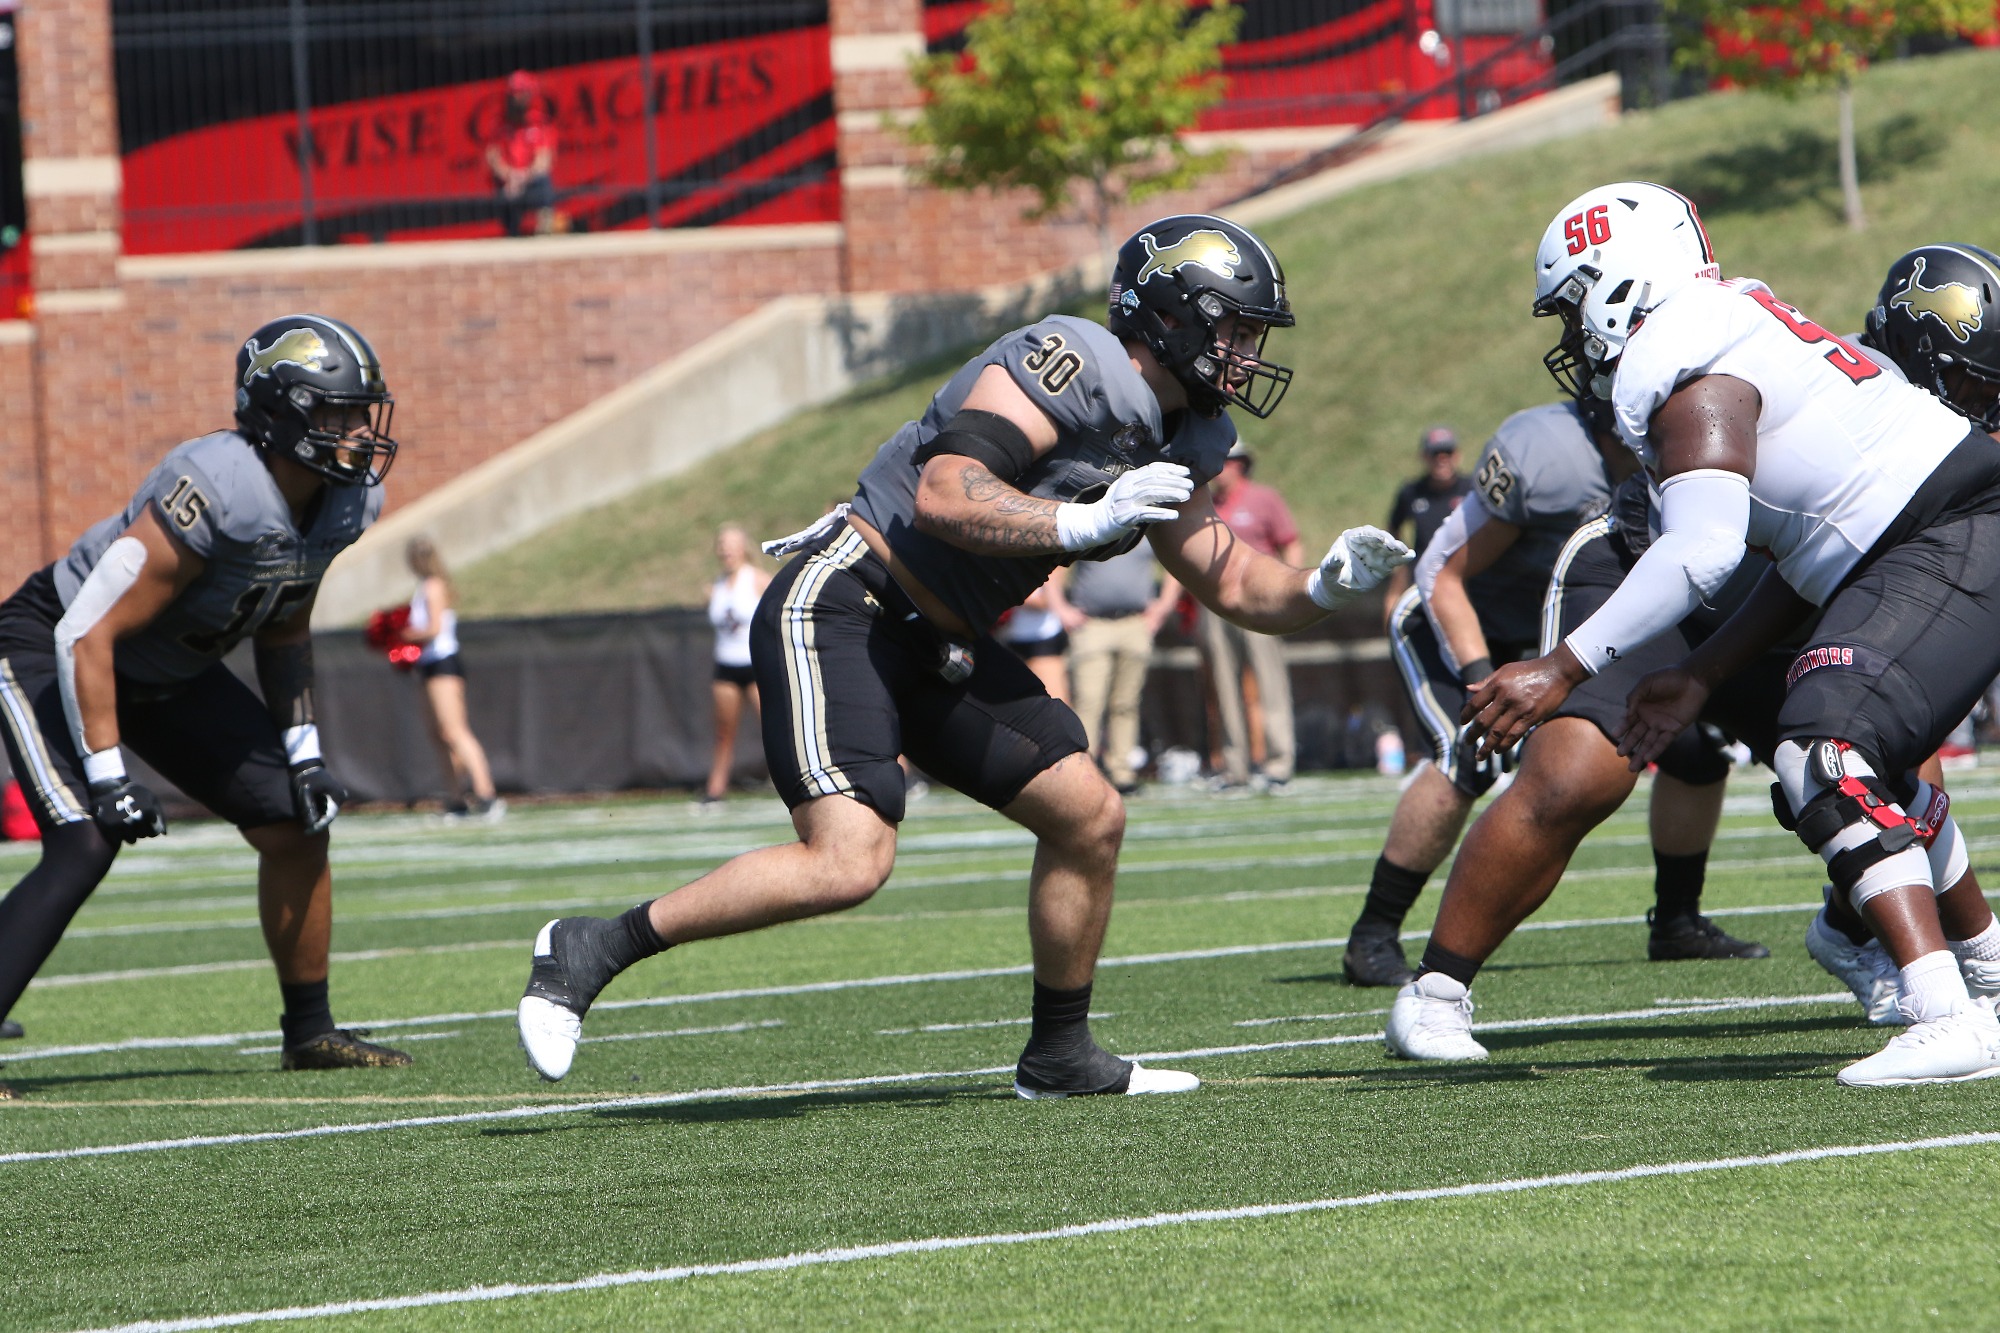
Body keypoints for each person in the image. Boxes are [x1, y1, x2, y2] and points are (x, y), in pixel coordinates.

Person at [517, 213, 1412, 1099]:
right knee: (850, 857)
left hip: (940, 640)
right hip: (849, 601)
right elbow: (948, 493)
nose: (1247, 353)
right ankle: (593, 945)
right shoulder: (1073, 360)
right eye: (1234, 327)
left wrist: (1325, 585)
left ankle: (1060, 1054)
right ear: (1168, 314)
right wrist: (1083, 519)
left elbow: (1240, 585)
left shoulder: (1187, 433)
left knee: (1088, 816)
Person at [1416, 184, 2000, 1086]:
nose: (1573, 342)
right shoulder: (1736, 329)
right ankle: (1434, 992)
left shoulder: (1692, 368)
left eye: (1575, 310)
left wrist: (1559, 667)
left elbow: (1705, 548)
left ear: (1618, 288)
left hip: (1920, 538)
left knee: (1832, 751)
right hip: (1846, 552)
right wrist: (1701, 672)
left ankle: (1945, 1006)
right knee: (1601, 770)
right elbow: (1808, 555)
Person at [0, 314, 412, 1095]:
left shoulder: (344, 501)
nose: (360, 432)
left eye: (363, 413)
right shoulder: (216, 485)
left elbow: (286, 623)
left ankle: (308, 1030)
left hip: (161, 670)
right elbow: (87, 628)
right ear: (280, 413)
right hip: (53, 640)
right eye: (338, 415)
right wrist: (110, 774)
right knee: (86, 838)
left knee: (296, 818)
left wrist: (306, 754)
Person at [1342, 399, 1763, 983]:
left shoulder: (1708, 441)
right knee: (1469, 755)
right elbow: (1442, 573)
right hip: (1476, 625)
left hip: (1575, 634)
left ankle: (1677, 922)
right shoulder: (1547, 453)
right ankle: (1373, 933)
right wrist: (1486, 675)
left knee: (1692, 748)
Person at [1201, 441, 1303, 789]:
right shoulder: (1204, 503)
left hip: (1259, 600)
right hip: (1215, 601)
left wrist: (1287, 585)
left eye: (1228, 461)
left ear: (1241, 464)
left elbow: (1289, 540)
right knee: (1225, 687)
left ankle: (1278, 762)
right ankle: (1234, 765)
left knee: (1269, 680)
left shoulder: (1263, 498)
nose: (1221, 467)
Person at [1063, 544, 1182, 793]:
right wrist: (1061, 609)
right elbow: (1054, 568)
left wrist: (1163, 608)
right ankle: (1087, 773)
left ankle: (1122, 773)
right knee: (1089, 702)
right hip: (1092, 624)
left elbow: (1175, 562)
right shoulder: (1091, 517)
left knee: (1126, 704)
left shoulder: (1144, 528)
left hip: (1135, 622)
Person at [402, 536, 502, 820]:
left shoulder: (433, 586)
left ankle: (486, 794)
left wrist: (405, 635)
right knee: (438, 735)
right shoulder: (423, 588)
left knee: (454, 730)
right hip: (427, 664)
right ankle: (456, 797)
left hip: (443, 662)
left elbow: (434, 628)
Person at [703, 523, 771, 807]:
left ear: (743, 548)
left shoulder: (758, 579)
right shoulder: (715, 587)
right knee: (723, 733)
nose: (726, 550)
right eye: (722, 545)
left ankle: (790, 780)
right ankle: (715, 789)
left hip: (755, 666)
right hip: (726, 667)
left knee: (772, 728)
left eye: (732, 544)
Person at [1380, 426, 1473, 617]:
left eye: (1447, 452)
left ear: (1457, 455)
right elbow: (1393, 528)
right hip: (1422, 580)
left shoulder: (1471, 489)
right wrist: (1400, 564)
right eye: (1435, 453)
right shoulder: (1412, 492)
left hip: (1466, 577)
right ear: (1424, 457)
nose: (1441, 459)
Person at [486, 71, 557, 238]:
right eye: (514, 94)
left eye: (521, 94)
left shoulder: (539, 122)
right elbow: (493, 157)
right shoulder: (499, 124)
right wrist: (509, 176)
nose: (517, 99)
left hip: (531, 180)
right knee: (503, 196)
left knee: (543, 182)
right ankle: (511, 234)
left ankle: (546, 232)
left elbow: (543, 160)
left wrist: (522, 178)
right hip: (509, 182)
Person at [994, 573, 1072, 704]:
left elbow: (1046, 600)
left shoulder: (1052, 559)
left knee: (1055, 702)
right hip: (1006, 638)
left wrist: (1016, 595)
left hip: (1042, 639)